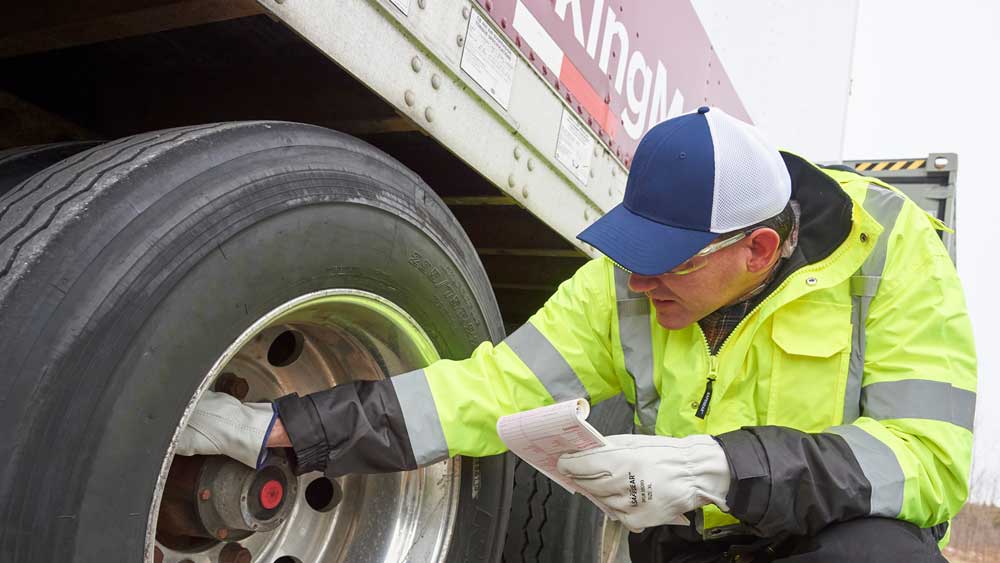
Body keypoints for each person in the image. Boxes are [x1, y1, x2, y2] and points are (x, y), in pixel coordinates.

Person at [177, 107, 976, 562]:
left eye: (666, 264)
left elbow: (931, 464)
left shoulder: (892, 255)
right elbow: (482, 389)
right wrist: (283, 427)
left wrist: (726, 468)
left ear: (757, 250)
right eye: (632, 255)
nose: (635, 283)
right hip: (685, 551)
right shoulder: (624, 286)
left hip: (816, 541)